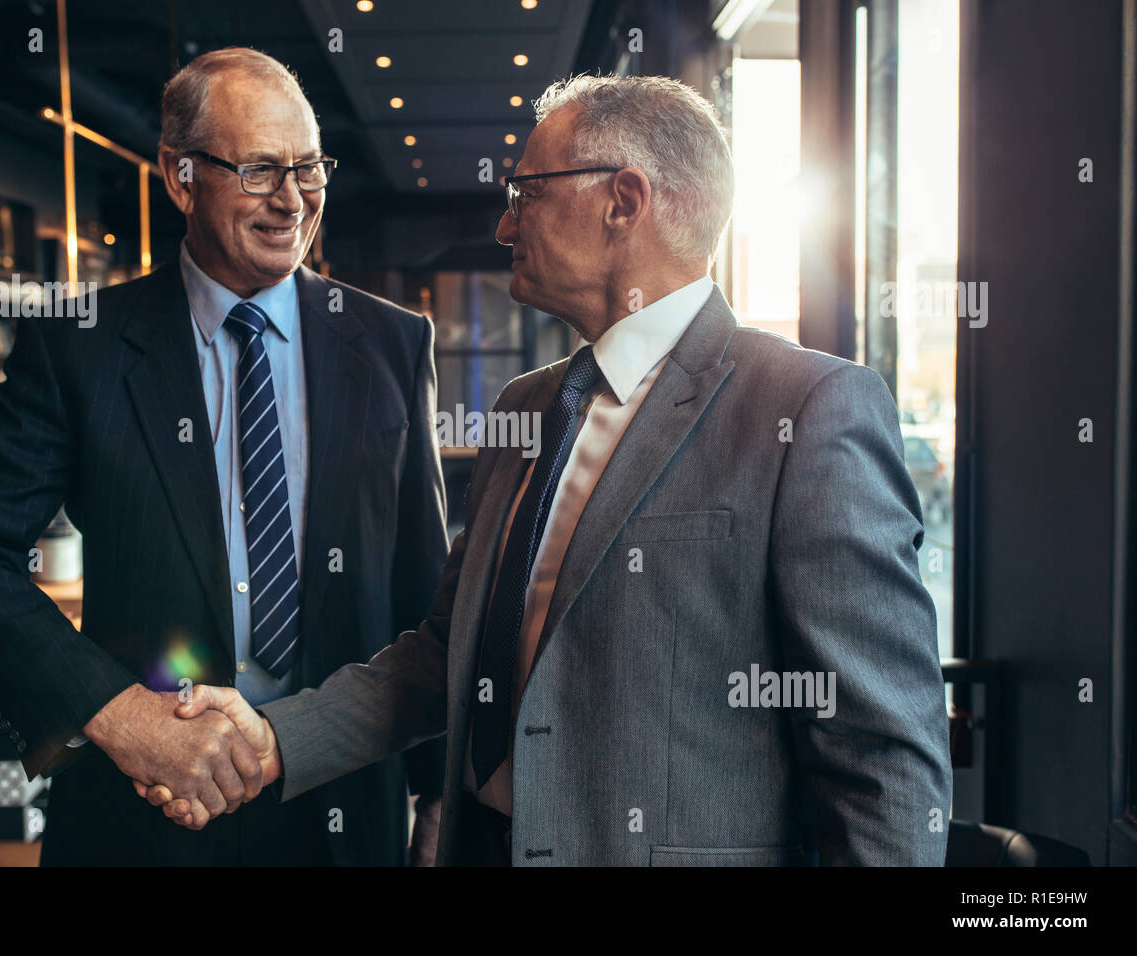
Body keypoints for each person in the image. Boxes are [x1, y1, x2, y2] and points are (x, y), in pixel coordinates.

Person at [146, 73, 953, 866]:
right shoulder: (527, 408)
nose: (504, 226)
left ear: (623, 201)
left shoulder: (807, 409)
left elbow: (881, 756)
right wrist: (272, 737)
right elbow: (443, 654)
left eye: (525, 191)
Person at [0, 47, 447, 866]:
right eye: (260, 170)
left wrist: (438, 796)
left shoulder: (394, 343)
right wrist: (122, 718)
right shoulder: (78, 346)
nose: (293, 200)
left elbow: (425, 595)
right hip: (141, 817)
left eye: (309, 167)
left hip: (343, 811)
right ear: (180, 174)